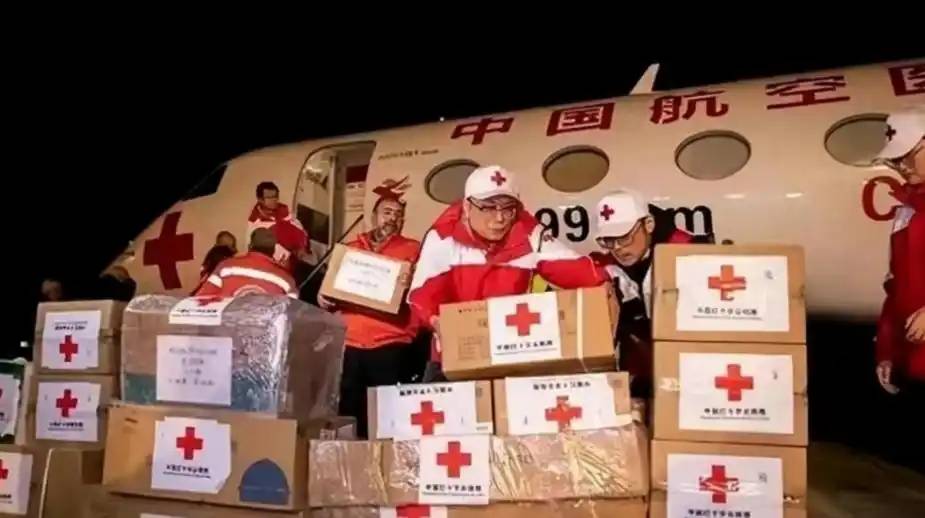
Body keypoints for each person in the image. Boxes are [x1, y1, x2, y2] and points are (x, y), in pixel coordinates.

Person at [408, 165, 606, 382]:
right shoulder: (443, 236)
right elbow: (421, 295)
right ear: (467, 206)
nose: (500, 218)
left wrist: (605, 283)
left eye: (508, 209)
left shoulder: (530, 233)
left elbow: (576, 268)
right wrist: (435, 321)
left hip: (511, 353)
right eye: (488, 208)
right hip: (453, 357)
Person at [318, 194, 420, 438]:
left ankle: (384, 458)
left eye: (398, 214)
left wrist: (411, 283)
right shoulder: (350, 249)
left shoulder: (414, 250)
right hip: (349, 342)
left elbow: (423, 292)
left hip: (390, 341)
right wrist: (323, 296)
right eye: (387, 212)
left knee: (386, 417)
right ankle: (347, 458)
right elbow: (328, 291)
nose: (392, 218)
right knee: (347, 412)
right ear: (373, 216)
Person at [589, 190, 703, 396]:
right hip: (641, 378)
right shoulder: (609, 267)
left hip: (693, 374)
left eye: (624, 237)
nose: (617, 248)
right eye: (608, 241)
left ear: (648, 224)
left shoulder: (689, 252)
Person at [873, 107, 924, 395]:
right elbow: (895, 288)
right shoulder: (906, 211)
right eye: (895, 159)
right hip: (915, 365)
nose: (901, 165)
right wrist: (887, 351)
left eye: (908, 154)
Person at [196, 228, 298, 298]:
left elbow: (201, 299)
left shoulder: (225, 267)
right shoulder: (286, 279)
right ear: (273, 250)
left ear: (250, 246)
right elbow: (292, 313)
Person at [248, 181, 312, 271]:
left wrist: (302, 246)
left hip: (300, 260)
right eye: (270, 197)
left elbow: (300, 229)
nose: (274, 200)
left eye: (276, 196)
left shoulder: (285, 211)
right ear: (260, 200)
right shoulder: (255, 223)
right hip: (276, 267)